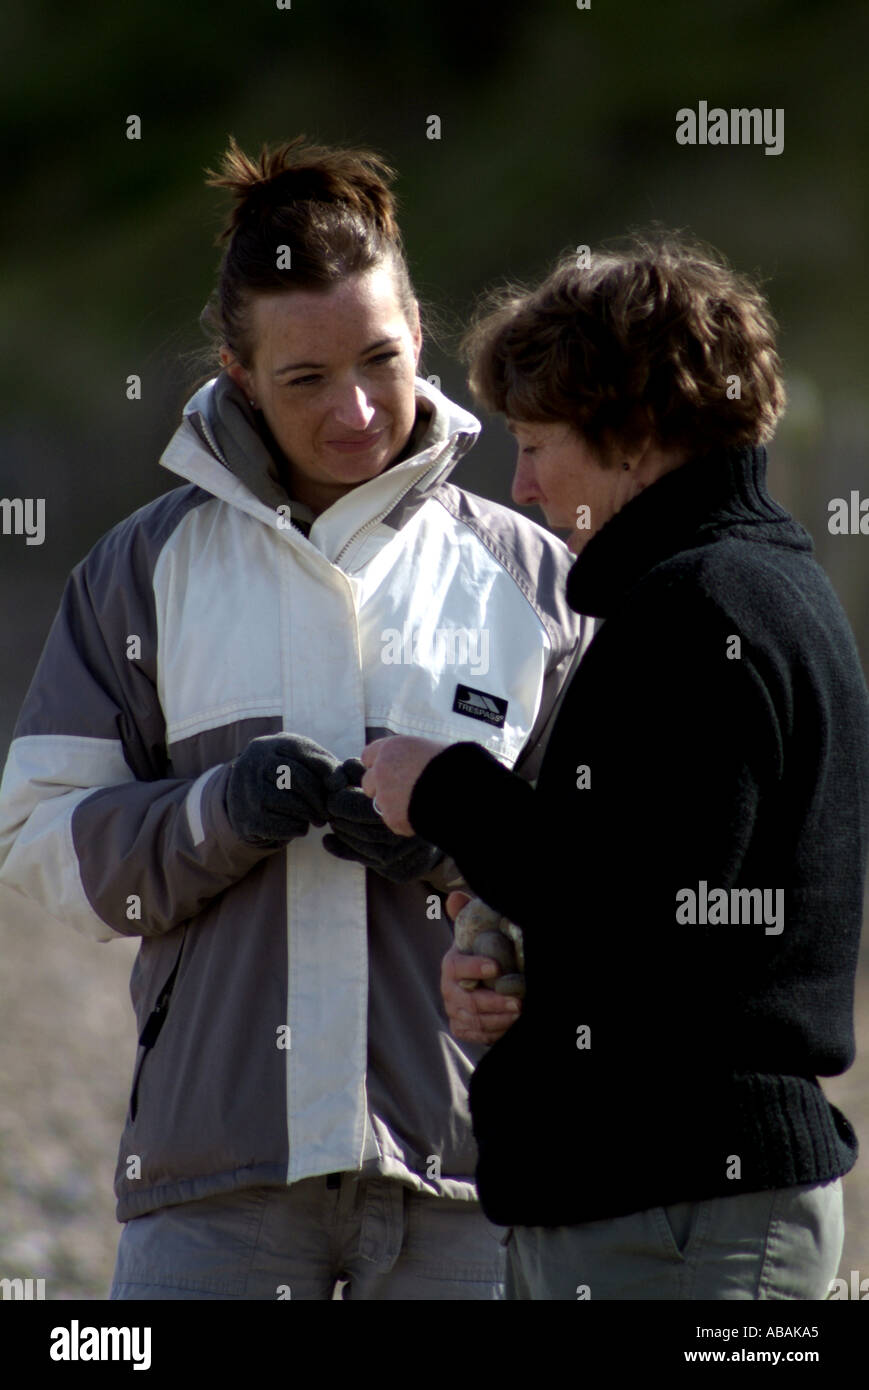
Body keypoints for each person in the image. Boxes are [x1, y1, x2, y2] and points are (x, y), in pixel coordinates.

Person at [0, 136, 587, 1300]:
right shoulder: (138, 574)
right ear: (234, 370)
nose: (358, 411)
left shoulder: (540, 577)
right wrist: (217, 812)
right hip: (210, 1187)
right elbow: (35, 849)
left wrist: (463, 852)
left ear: (418, 328)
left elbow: (627, 862)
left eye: (379, 357)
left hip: (476, 1179)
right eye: (305, 378)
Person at [360, 234, 869, 1300]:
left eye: (539, 445)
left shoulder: (698, 606)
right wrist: (516, 973)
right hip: (673, 1206)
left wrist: (444, 787)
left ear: (635, 435)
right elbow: (680, 921)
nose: (522, 486)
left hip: (678, 1217)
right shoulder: (756, 584)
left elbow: (646, 902)